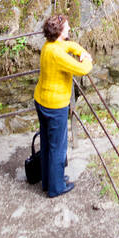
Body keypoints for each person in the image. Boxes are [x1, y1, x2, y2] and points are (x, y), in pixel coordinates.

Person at [33, 14, 93, 199]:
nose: (69, 29)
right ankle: (56, 187)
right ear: (59, 32)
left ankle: (48, 180)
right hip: (55, 106)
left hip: (41, 100)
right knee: (58, 147)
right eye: (66, 27)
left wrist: (79, 51)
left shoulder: (49, 46)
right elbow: (83, 69)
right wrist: (87, 58)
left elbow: (70, 45)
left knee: (47, 143)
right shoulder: (57, 54)